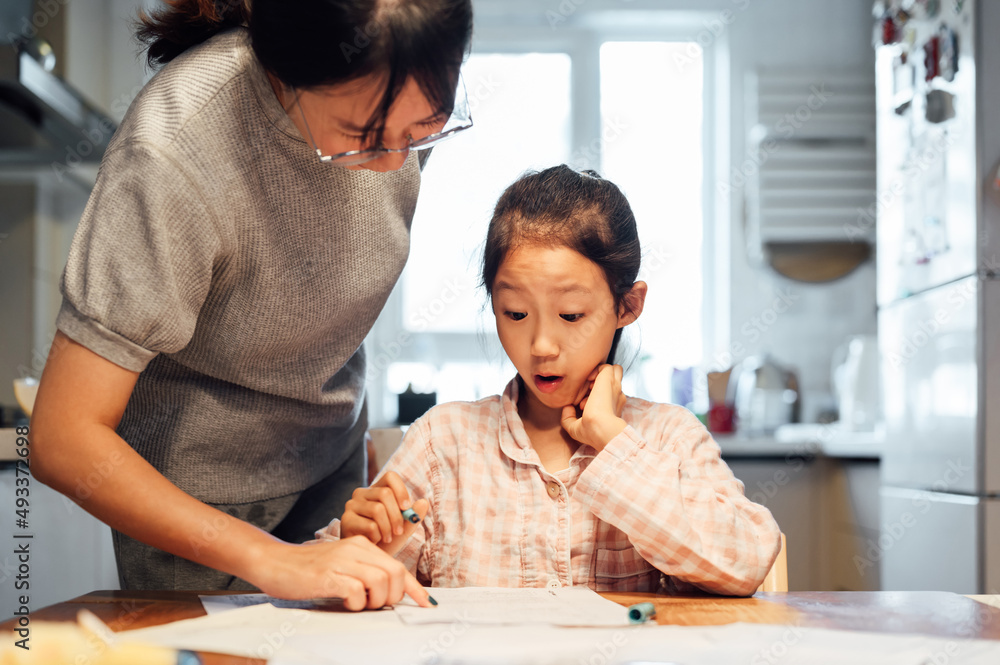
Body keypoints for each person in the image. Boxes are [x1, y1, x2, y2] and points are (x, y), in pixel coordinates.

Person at [30, 0, 472, 608]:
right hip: (193, 508)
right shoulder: (175, 150)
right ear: (288, 74)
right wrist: (270, 560)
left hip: (332, 468)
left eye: (426, 127)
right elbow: (62, 438)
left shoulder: (396, 90)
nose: (396, 163)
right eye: (362, 138)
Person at [317, 165, 782, 595]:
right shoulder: (444, 442)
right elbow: (325, 590)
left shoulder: (669, 437)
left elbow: (745, 563)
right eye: (515, 313)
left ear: (628, 306)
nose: (541, 344)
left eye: (571, 314)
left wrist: (615, 443)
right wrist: (360, 550)